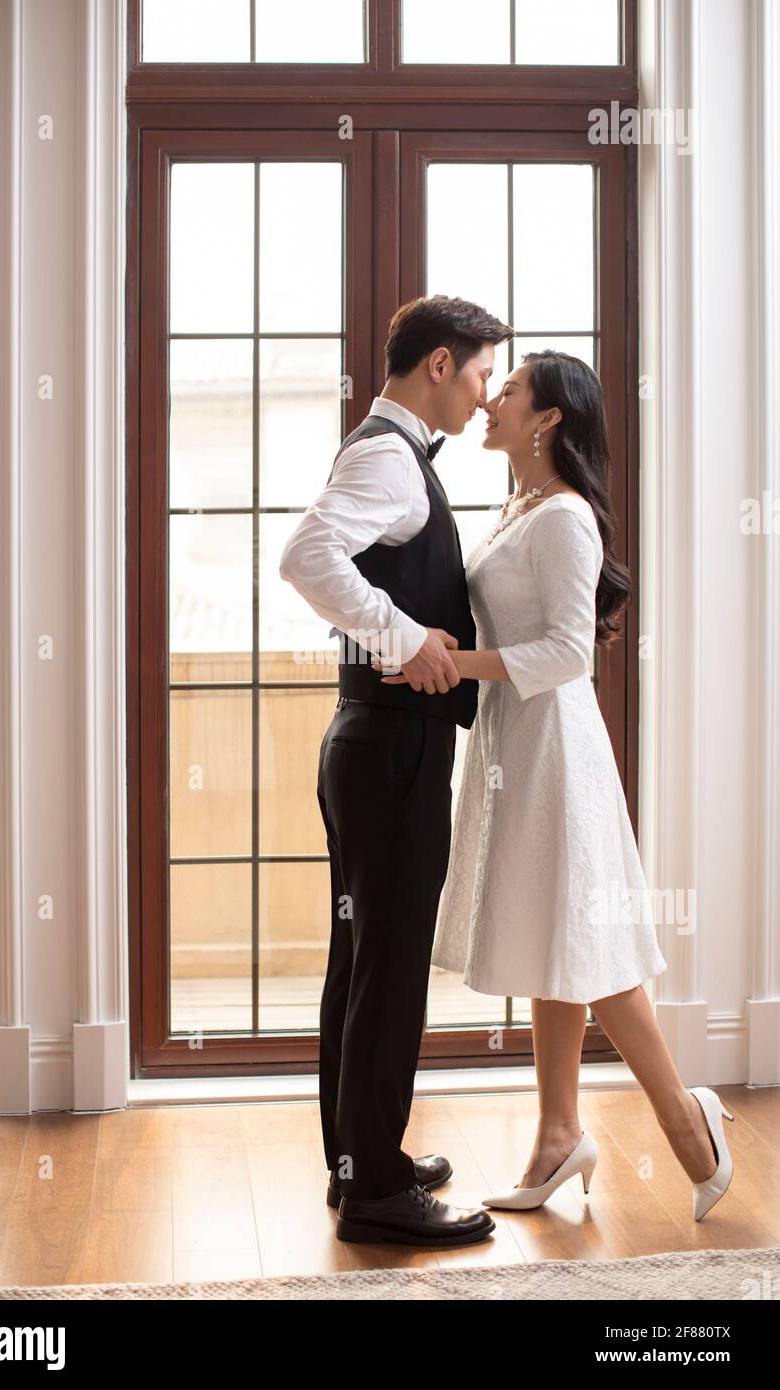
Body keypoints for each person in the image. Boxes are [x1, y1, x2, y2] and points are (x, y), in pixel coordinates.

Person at [377, 350, 735, 1222]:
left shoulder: (567, 516)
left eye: (511, 391)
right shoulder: (516, 507)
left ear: (548, 420)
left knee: (589, 944)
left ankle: (688, 1126)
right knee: (552, 936)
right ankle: (557, 1132)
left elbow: (572, 652)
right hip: (514, 741)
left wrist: (452, 662)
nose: (490, 399)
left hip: (556, 749)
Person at [279, 295, 513, 1246]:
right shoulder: (389, 457)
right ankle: (377, 1188)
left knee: (364, 961)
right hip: (392, 747)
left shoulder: (387, 452)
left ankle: (359, 1161)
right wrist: (407, 634)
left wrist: (394, 634)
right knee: (389, 966)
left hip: (367, 741)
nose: (485, 394)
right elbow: (304, 555)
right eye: (482, 376)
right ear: (440, 364)